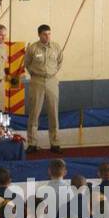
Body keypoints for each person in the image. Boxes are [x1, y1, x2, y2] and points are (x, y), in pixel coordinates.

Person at [25, 24, 64, 153]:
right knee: (34, 113)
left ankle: (55, 143)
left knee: (53, 113)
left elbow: (59, 62)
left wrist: (51, 73)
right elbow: (27, 64)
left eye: (49, 34)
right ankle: (32, 143)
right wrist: (36, 74)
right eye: (44, 34)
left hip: (52, 81)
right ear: (39, 35)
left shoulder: (56, 47)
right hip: (37, 81)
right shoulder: (32, 48)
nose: (47, 36)